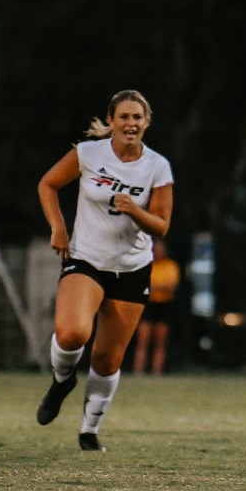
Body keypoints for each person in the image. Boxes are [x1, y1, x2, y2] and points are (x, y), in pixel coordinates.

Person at [35, 89, 174, 451]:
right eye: (124, 117)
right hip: (87, 259)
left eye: (137, 118)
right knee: (72, 333)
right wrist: (59, 227)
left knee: (107, 358)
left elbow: (161, 226)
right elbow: (47, 184)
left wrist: (134, 210)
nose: (131, 123)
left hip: (132, 268)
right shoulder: (88, 153)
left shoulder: (157, 167)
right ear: (111, 121)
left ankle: (89, 431)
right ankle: (62, 379)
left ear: (147, 123)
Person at [132, 239, 182, 376]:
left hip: (164, 306)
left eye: (160, 248)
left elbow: (172, 286)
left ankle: (156, 373)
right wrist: (160, 287)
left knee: (160, 341)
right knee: (143, 340)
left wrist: (154, 287)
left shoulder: (170, 265)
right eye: (155, 249)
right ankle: (139, 372)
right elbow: (143, 285)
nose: (157, 251)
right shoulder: (147, 265)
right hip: (148, 305)